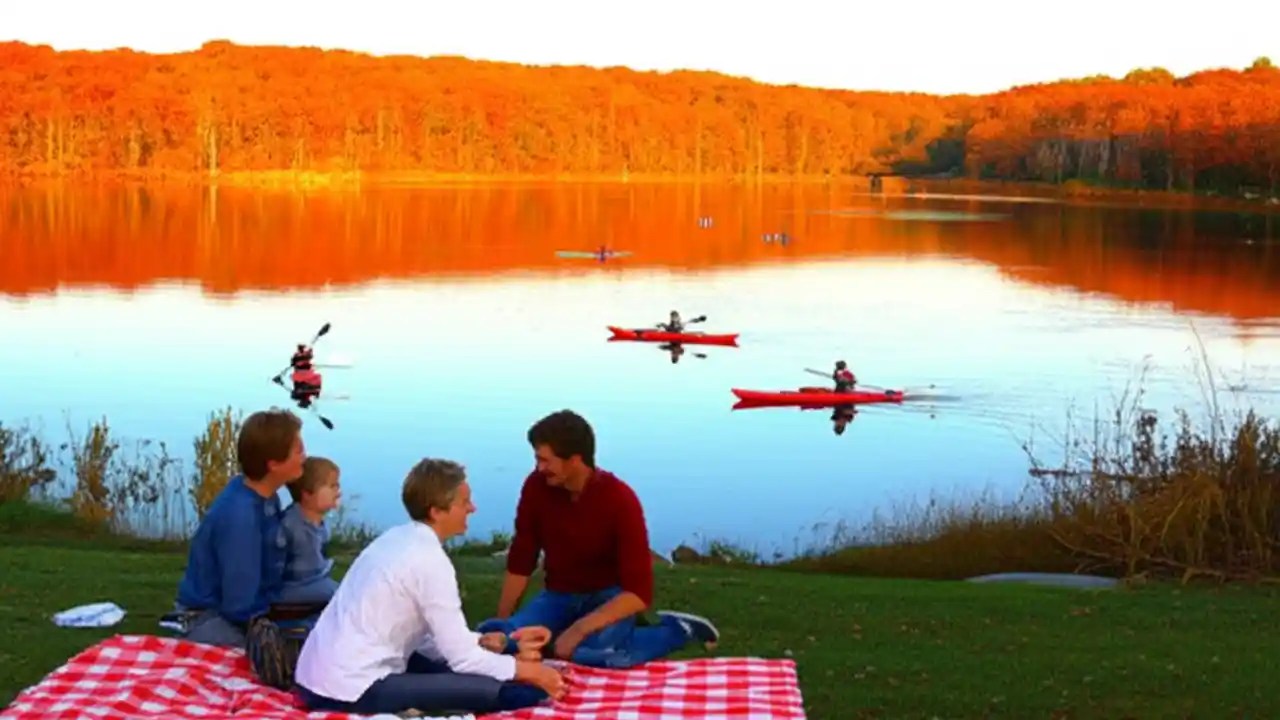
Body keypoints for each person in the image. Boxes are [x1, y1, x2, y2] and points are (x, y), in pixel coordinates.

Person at [293, 458, 565, 716]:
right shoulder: (429, 560)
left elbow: (430, 640)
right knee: (518, 693)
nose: (472, 508)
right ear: (436, 511)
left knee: (474, 663)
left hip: (316, 674)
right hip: (349, 687)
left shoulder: (394, 538)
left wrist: (487, 645)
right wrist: (530, 672)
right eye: (464, 502)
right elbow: (462, 658)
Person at [476, 409, 719, 669]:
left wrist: (578, 630)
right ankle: (547, 643)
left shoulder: (620, 500)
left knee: (602, 655)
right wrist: (504, 622)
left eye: (546, 460)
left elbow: (638, 593)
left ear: (575, 460)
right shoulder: (536, 487)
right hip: (559, 594)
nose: (539, 468)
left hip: (609, 597)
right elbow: (522, 559)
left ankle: (677, 630)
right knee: (493, 638)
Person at [173, 408, 307, 647]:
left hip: (251, 608)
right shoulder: (241, 517)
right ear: (274, 463)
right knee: (293, 656)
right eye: (298, 451)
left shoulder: (265, 496)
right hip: (209, 619)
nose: (304, 457)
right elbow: (240, 605)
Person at [278, 456, 343, 606]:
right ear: (307, 493)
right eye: (332, 486)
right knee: (342, 596)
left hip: (313, 581)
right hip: (295, 586)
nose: (338, 493)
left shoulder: (316, 521)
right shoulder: (293, 525)